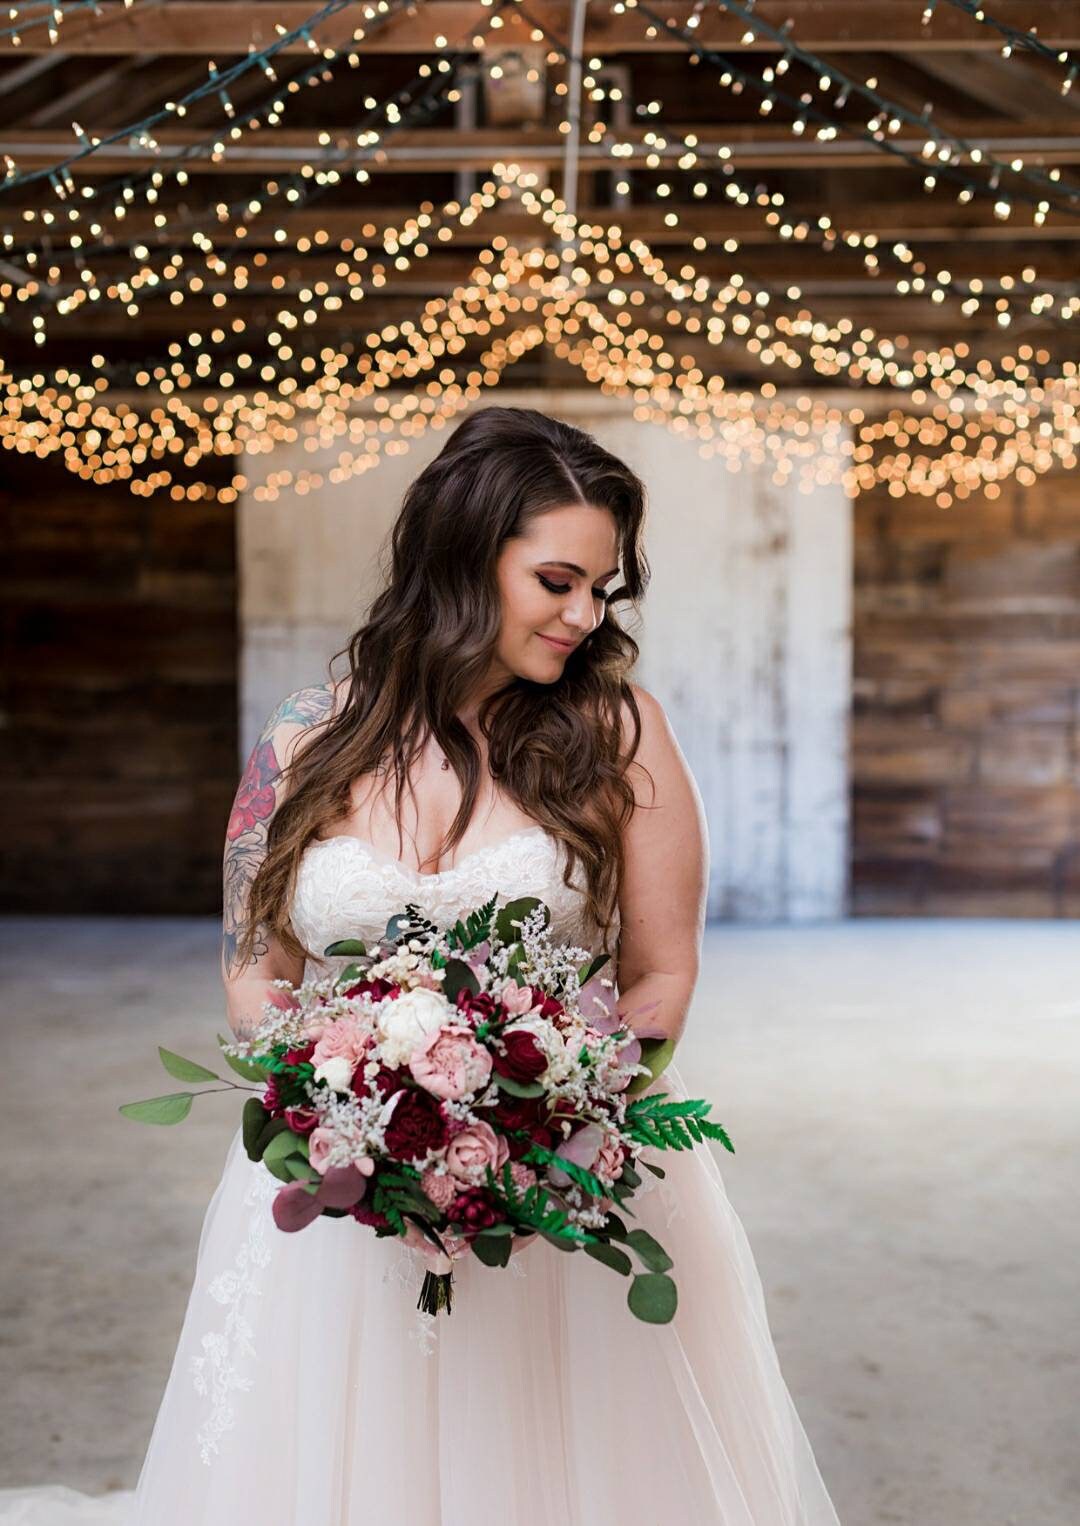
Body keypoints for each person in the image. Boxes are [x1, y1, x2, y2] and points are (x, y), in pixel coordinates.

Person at [0, 406, 841, 1524]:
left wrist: (543, 1137)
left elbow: (661, 972)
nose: (585, 614)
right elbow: (257, 956)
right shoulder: (306, 735)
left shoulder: (622, 734)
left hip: (559, 1181)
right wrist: (324, 1115)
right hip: (332, 1179)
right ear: (461, 554)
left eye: (603, 587)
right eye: (556, 579)